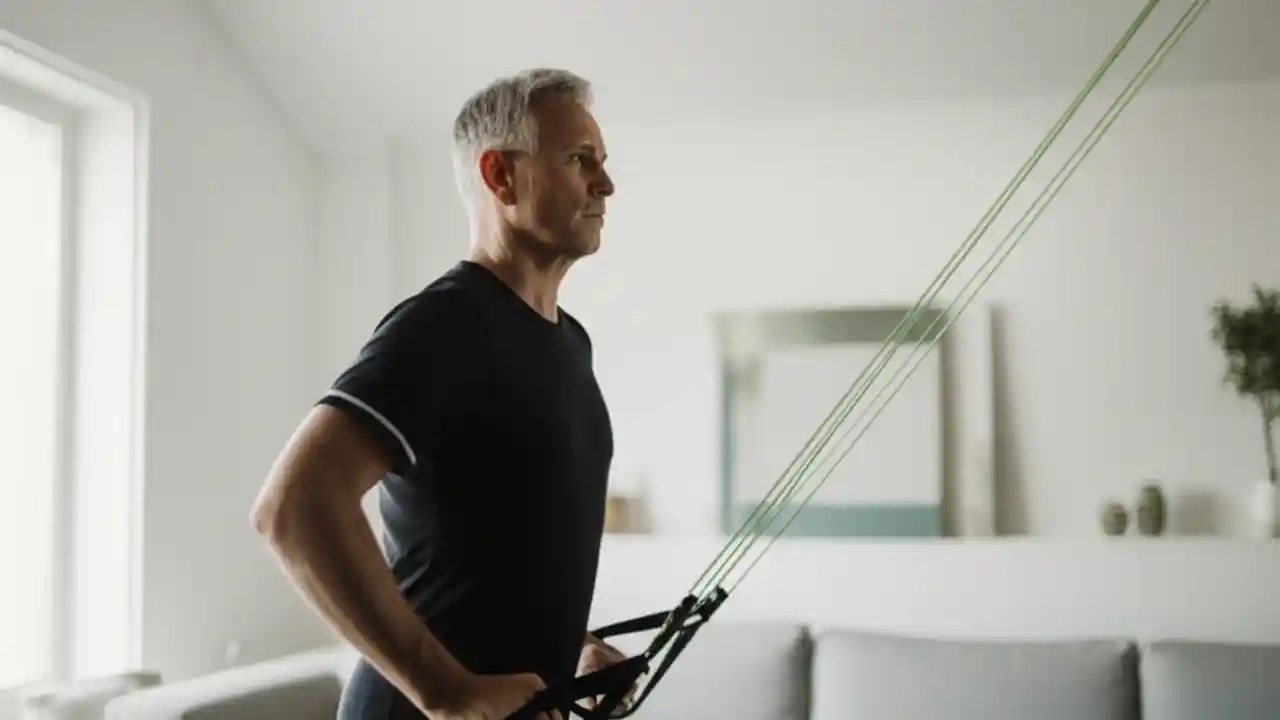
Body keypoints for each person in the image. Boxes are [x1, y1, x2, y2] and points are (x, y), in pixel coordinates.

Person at [250, 68, 630, 719]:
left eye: (603, 161)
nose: (606, 183)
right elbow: (294, 506)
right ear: (501, 177)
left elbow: (503, 554)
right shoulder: (448, 325)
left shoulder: (571, 344)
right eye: (579, 160)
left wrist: (576, 649)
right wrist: (446, 689)